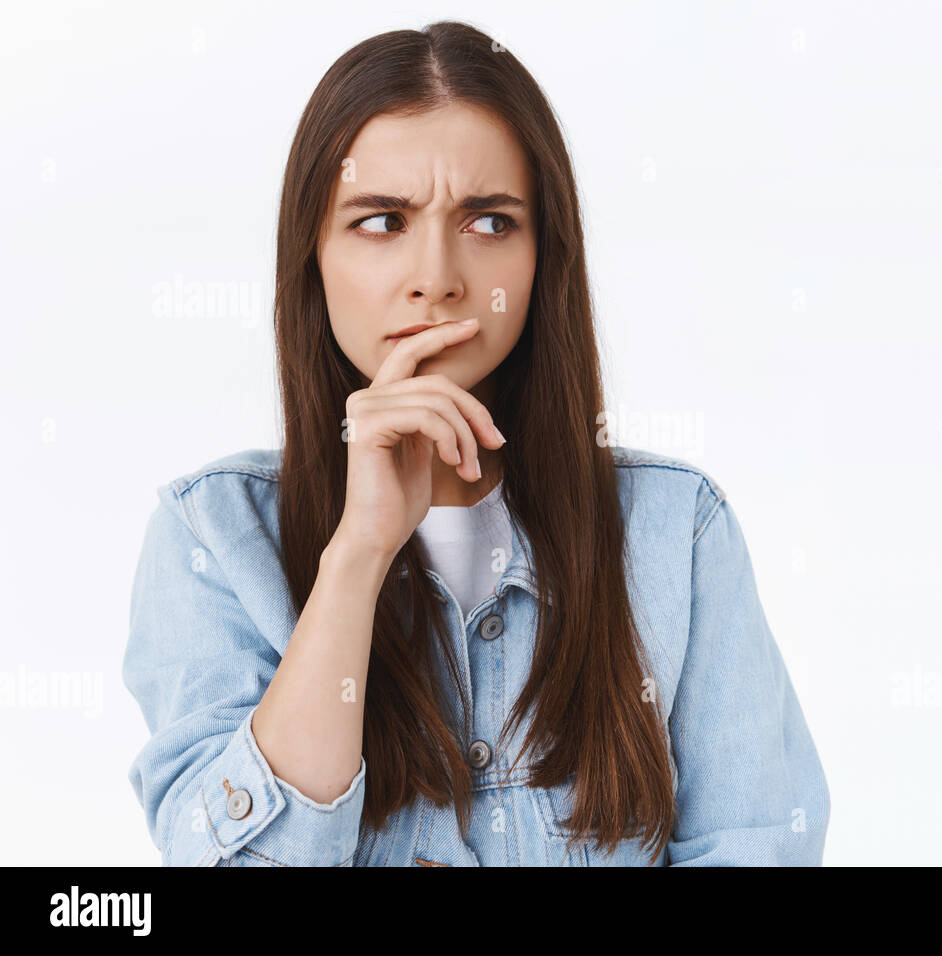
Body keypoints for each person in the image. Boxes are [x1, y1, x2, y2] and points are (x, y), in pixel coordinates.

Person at [123, 19, 829, 866]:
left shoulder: (676, 530)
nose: (438, 276)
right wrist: (359, 550)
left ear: (544, 257)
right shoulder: (212, 538)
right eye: (382, 221)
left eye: (490, 222)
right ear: (310, 257)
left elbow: (758, 846)